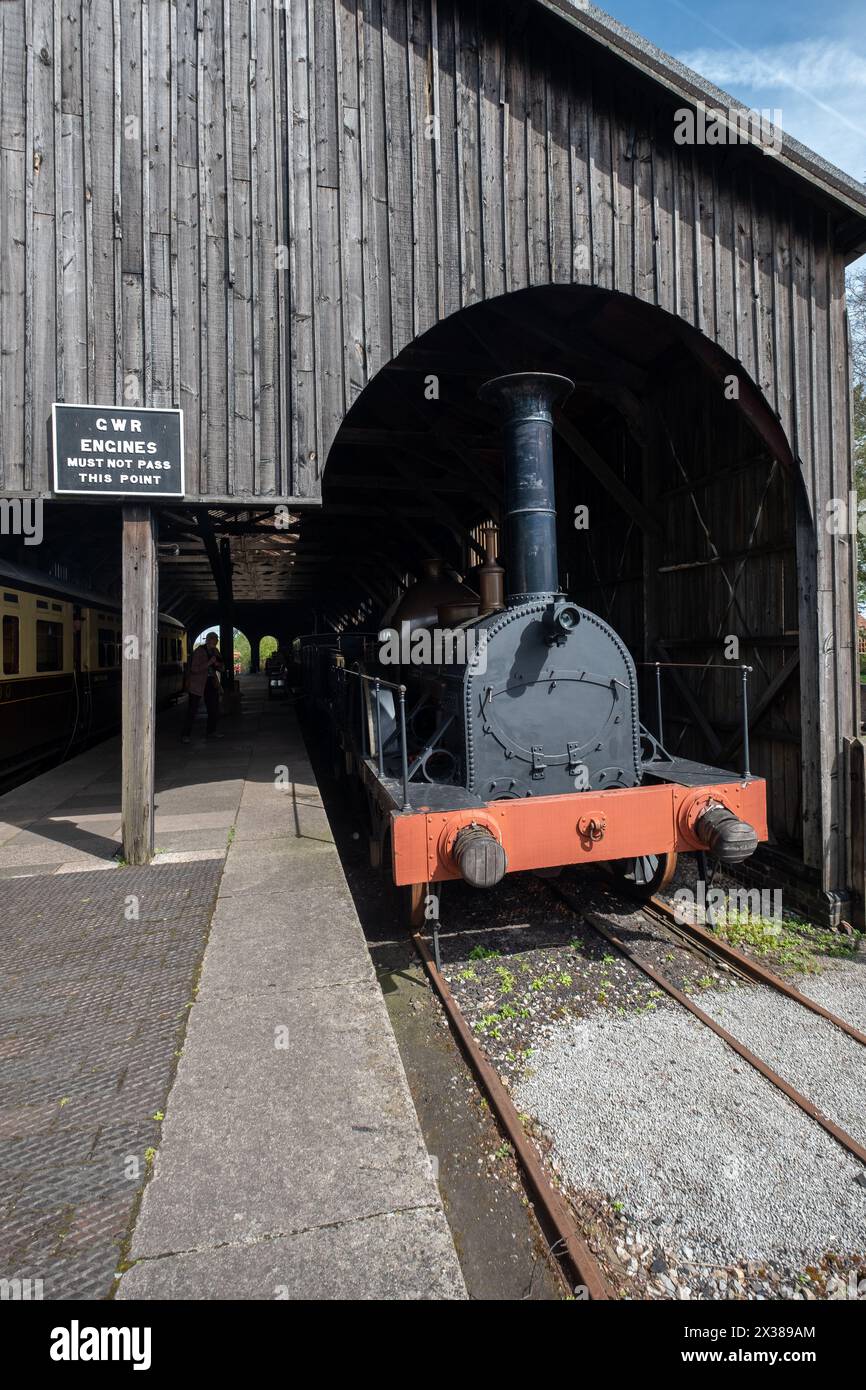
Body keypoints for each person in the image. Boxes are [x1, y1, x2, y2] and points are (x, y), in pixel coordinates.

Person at [181, 632, 225, 742]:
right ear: (208, 640)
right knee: (192, 710)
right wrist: (209, 663)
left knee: (213, 708)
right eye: (214, 639)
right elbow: (194, 669)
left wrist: (218, 665)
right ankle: (186, 735)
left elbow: (222, 668)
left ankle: (211, 731)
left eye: (216, 639)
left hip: (211, 682)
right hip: (197, 684)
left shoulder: (215, 651)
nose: (216, 641)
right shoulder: (199, 651)